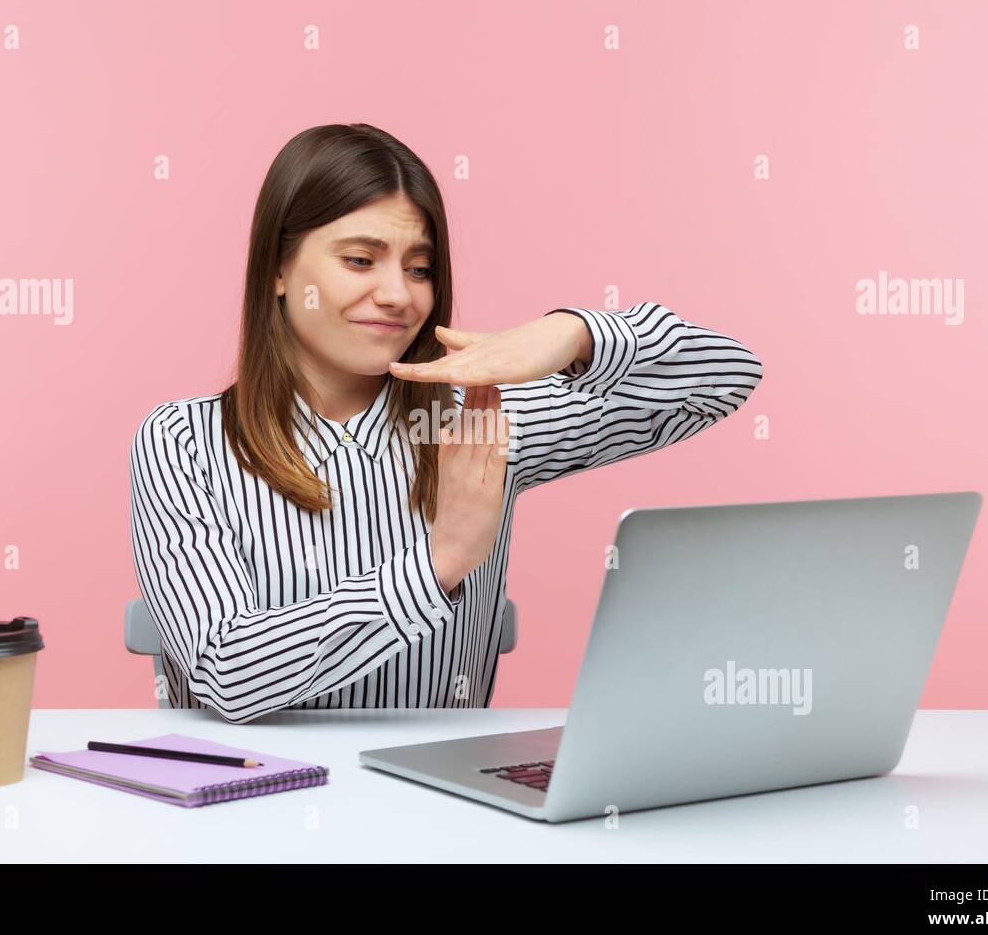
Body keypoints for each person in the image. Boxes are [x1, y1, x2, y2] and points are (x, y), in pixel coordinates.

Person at [129, 123, 764, 724]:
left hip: (440, 805)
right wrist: (441, 562)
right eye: (359, 260)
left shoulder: (482, 420)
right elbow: (225, 672)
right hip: (252, 809)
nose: (399, 295)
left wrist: (575, 335)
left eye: (420, 268)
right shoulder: (184, 443)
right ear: (277, 270)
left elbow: (726, 376)